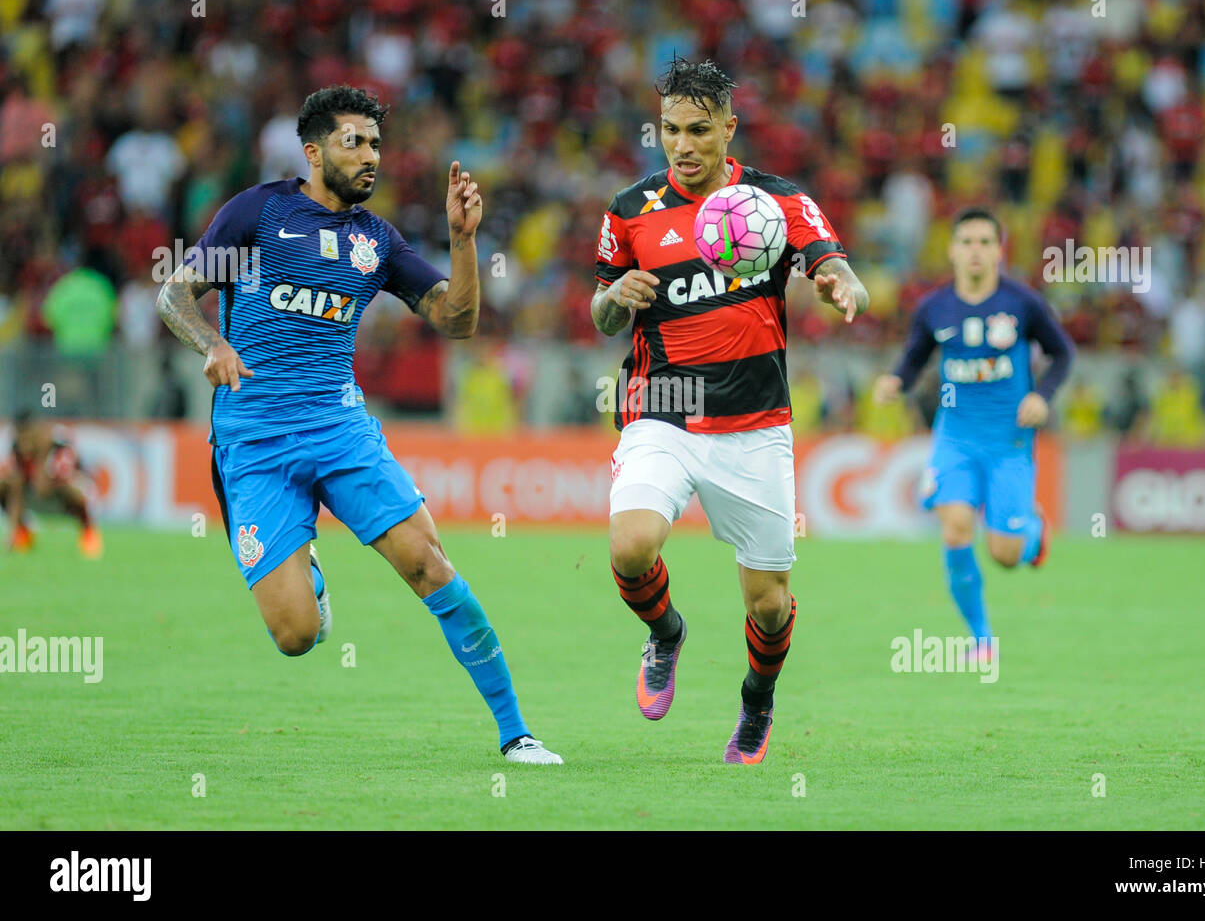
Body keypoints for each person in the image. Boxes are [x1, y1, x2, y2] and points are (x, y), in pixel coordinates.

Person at [155, 85, 561, 765]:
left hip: (340, 431)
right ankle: (306, 570)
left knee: (430, 564)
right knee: (293, 634)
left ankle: (516, 731)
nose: (371, 155)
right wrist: (213, 345)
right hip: (253, 442)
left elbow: (456, 321)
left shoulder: (378, 241)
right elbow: (174, 294)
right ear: (313, 152)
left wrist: (464, 243)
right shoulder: (256, 213)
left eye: (375, 143)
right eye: (354, 142)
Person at [592, 58, 868, 764]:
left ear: (729, 128)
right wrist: (613, 296)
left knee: (769, 604)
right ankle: (665, 633)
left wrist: (843, 286)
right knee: (629, 546)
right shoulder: (630, 210)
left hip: (755, 423)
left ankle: (757, 701)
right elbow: (598, 313)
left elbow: (829, 261)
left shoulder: (775, 203)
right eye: (669, 129)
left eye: (698, 130)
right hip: (665, 407)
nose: (681, 145)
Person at [873, 208, 1074, 658]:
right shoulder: (934, 307)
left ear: (999, 250)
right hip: (956, 439)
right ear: (952, 250)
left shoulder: (1023, 304)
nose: (976, 251)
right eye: (967, 242)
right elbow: (915, 356)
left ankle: (1032, 534)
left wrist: (1043, 395)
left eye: (985, 242)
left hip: (1009, 442)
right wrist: (896, 382)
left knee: (1005, 554)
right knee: (956, 529)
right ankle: (982, 639)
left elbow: (1062, 354)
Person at [0, 410, 101, 558]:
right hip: (37, 497)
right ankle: (22, 531)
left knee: (76, 490)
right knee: (5, 485)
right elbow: (15, 486)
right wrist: (12, 528)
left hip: (62, 494)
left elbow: (73, 474)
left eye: (27, 433)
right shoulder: (18, 449)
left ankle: (88, 531)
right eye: (20, 434)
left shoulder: (56, 443)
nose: (24, 440)